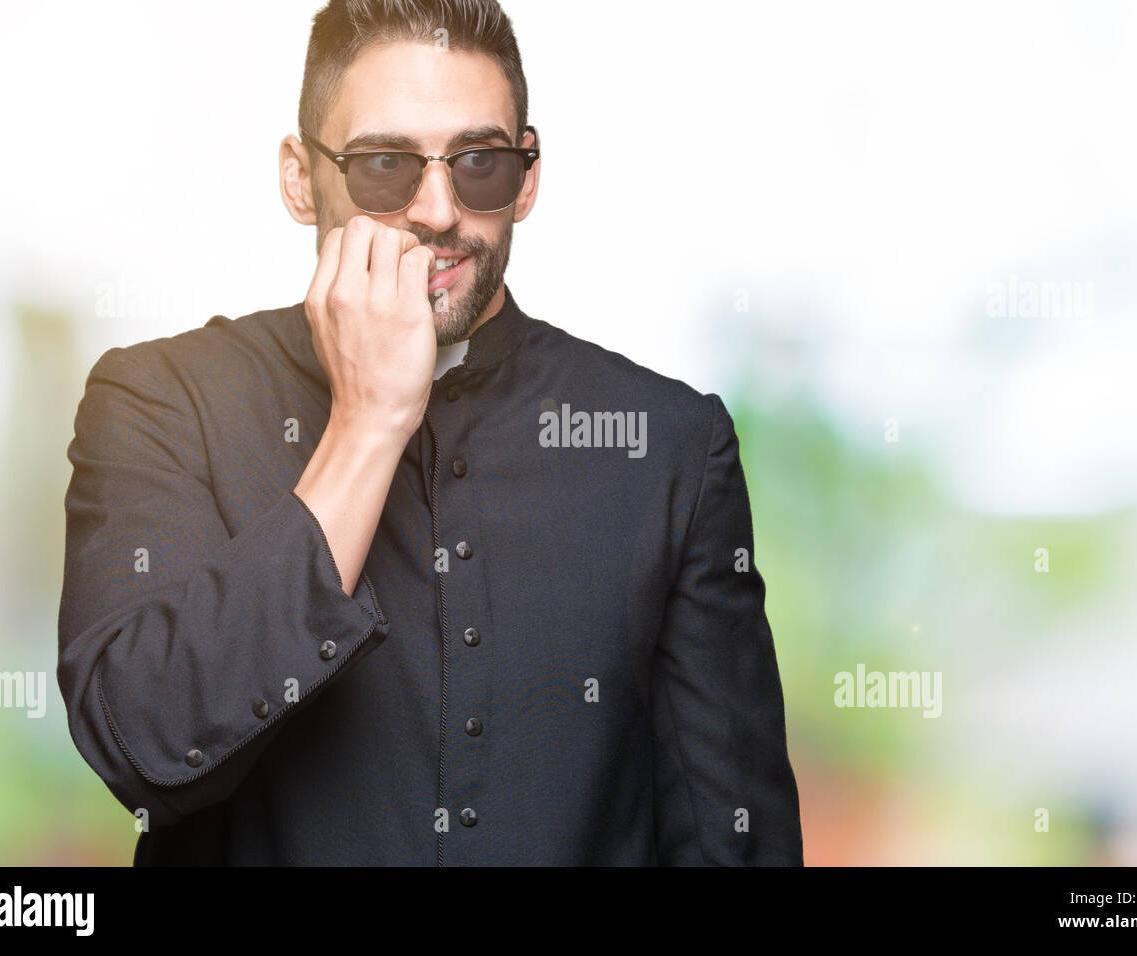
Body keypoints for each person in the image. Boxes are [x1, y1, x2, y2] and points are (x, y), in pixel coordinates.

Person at [57, 0, 803, 865]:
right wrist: (367, 423)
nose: (440, 210)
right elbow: (140, 742)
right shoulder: (161, 400)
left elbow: (734, 842)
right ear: (301, 179)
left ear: (527, 177)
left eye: (479, 162)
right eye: (386, 164)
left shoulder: (670, 444)